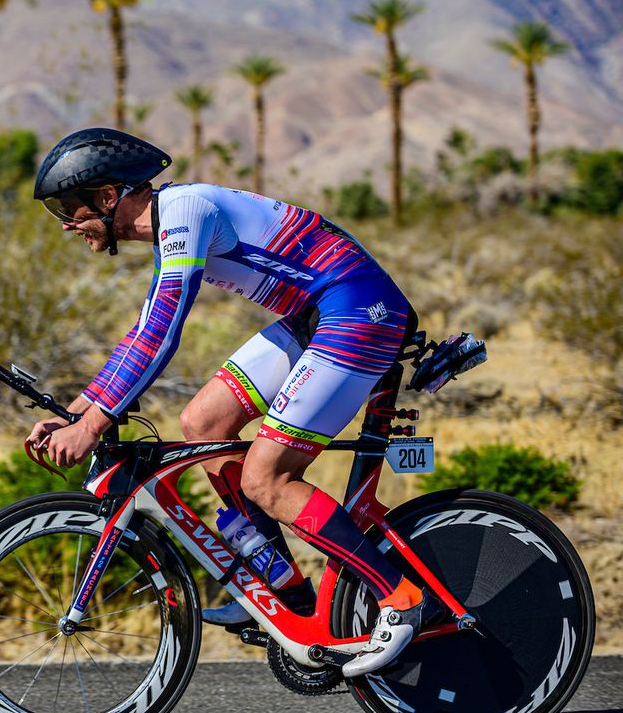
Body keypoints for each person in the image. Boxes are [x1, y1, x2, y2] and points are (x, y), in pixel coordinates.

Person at [26, 127, 425, 678]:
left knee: (267, 479)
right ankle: (282, 586)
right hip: (319, 314)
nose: (66, 224)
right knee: (203, 422)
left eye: (69, 208)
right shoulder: (173, 221)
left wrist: (93, 424)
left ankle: (399, 597)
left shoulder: (186, 212)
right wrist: (76, 414)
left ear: (109, 196)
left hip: (358, 311)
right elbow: (144, 329)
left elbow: (162, 334)